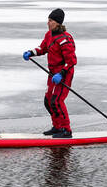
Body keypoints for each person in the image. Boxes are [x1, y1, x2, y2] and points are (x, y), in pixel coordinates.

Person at [23, 8, 76, 137]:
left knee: (57, 101)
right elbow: (42, 48)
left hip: (63, 73)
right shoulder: (49, 35)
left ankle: (66, 130)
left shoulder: (65, 39)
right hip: (52, 73)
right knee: (48, 101)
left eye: (50, 20)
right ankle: (57, 127)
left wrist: (61, 74)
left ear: (57, 22)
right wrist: (31, 52)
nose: (48, 23)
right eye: (48, 20)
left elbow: (71, 61)